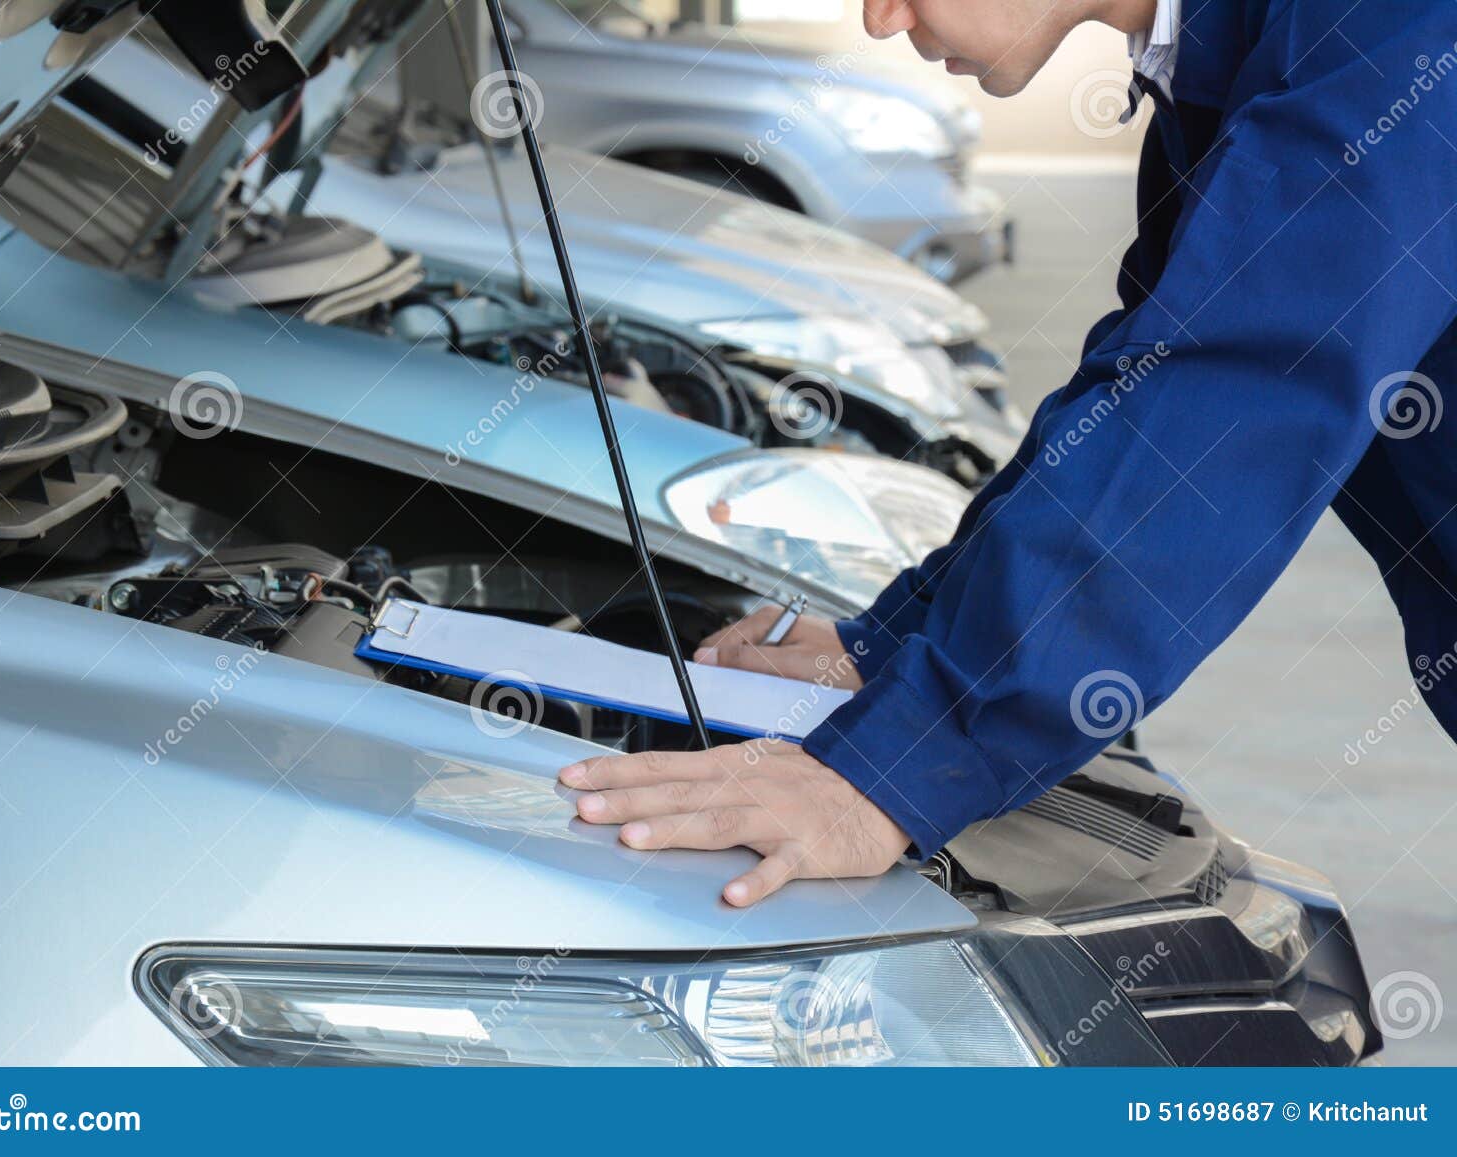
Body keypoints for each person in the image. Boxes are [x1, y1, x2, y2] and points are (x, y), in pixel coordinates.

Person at [560, 0, 1457, 906]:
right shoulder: (1244, 66)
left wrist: (901, 762)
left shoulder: (1398, 27)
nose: (877, 21)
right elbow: (1131, 398)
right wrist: (901, 643)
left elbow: (1235, 395)